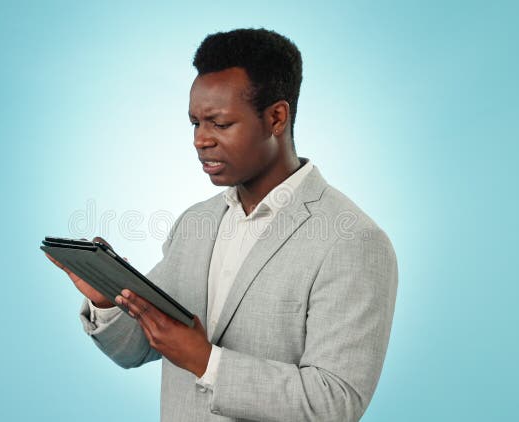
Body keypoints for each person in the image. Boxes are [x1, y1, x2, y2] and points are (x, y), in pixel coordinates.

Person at [46, 28, 398, 421]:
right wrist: (107, 299)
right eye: (195, 123)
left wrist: (206, 361)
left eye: (220, 124)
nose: (201, 140)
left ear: (276, 118)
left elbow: (335, 402)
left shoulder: (354, 242)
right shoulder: (194, 223)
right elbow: (136, 349)